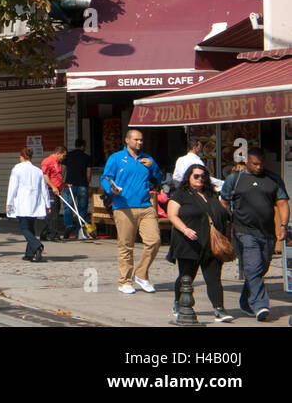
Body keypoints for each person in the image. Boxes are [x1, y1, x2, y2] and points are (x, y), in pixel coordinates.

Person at [220, 146, 289, 321]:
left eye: (261, 164)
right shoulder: (234, 179)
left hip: (267, 233)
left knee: (261, 268)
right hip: (243, 231)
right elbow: (224, 202)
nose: (259, 167)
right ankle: (260, 305)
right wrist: (224, 226)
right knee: (252, 266)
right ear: (246, 162)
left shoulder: (273, 179)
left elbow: (282, 203)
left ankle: (245, 301)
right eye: (255, 164)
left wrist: (283, 225)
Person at [100, 128, 165, 295]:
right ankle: (125, 281)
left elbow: (158, 179)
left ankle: (141, 274)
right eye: (136, 140)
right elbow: (106, 178)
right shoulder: (116, 158)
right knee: (126, 245)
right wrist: (110, 189)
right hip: (123, 207)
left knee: (154, 241)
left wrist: (154, 167)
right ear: (127, 141)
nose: (140, 142)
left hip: (145, 206)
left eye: (141, 140)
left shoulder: (148, 159)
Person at [166, 163, 233, 322]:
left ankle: (219, 309)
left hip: (211, 243)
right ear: (189, 177)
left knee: (214, 278)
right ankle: (179, 303)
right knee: (186, 276)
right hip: (189, 244)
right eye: (196, 176)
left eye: (203, 176)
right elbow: (172, 215)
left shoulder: (211, 195)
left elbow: (222, 214)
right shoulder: (181, 194)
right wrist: (185, 230)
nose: (200, 179)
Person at [6, 147, 50, 262]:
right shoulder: (38, 171)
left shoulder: (17, 169)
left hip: (22, 203)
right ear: (31, 157)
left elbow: (12, 187)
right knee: (31, 228)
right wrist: (47, 204)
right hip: (35, 203)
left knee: (25, 228)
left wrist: (9, 203)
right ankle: (29, 254)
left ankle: (37, 246)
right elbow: (44, 189)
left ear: (21, 157)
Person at [62, 139, 94, 239]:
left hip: (69, 185)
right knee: (82, 208)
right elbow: (88, 173)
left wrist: (62, 183)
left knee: (68, 207)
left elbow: (63, 170)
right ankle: (79, 231)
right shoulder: (87, 157)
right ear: (83, 146)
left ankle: (68, 226)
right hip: (82, 185)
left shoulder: (68, 156)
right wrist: (87, 183)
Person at [39, 146, 67, 242]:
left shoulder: (57, 163)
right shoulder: (48, 161)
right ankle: (54, 235)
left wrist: (63, 185)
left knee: (55, 212)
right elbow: (45, 176)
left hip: (56, 190)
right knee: (54, 214)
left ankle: (45, 234)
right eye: (63, 155)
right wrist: (53, 187)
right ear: (58, 153)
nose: (63, 158)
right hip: (50, 190)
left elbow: (56, 177)